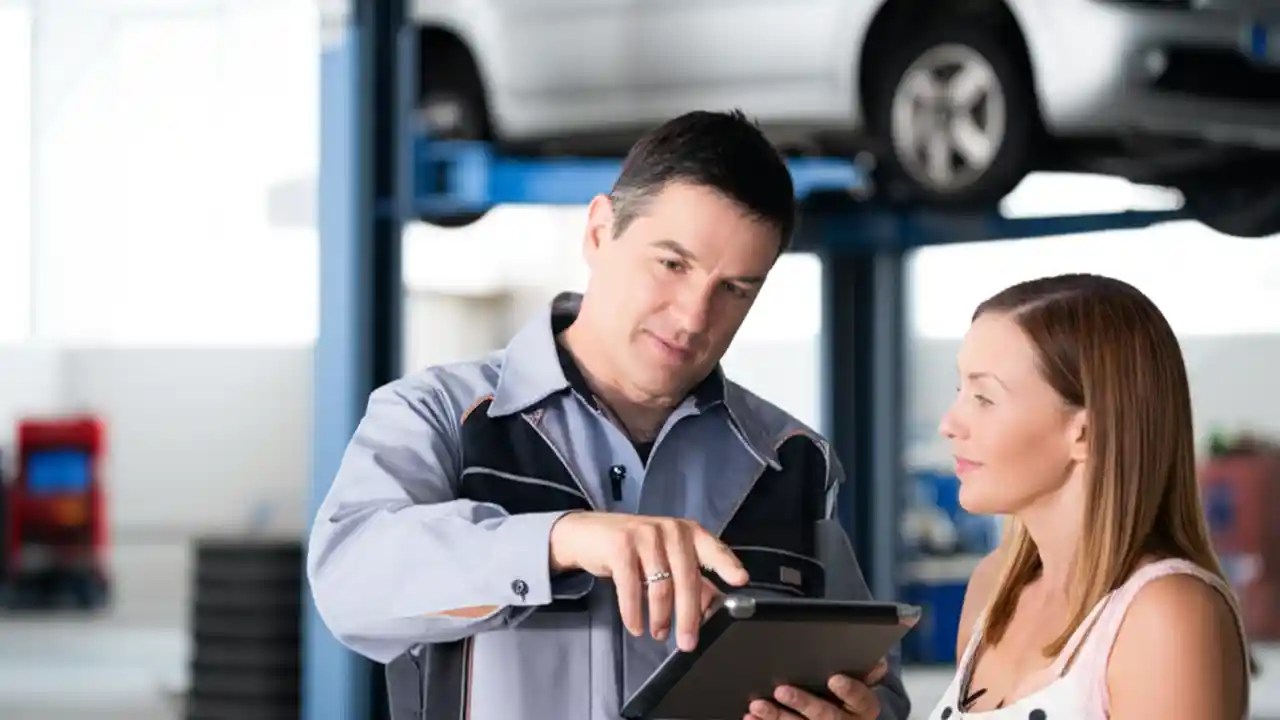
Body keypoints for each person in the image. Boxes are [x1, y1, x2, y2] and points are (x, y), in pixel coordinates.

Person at [306, 109, 912, 720]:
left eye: (735, 289)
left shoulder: (792, 463)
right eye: (672, 264)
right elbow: (347, 584)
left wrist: (857, 714)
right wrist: (559, 539)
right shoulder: (439, 417)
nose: (693, 316)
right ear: (599, 231)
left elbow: (872, 685)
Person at [930, 273, 1251, 719]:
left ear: (1084, 432)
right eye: (959, 390)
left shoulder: (1167, 614)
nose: (950, 423)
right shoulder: (994, 589)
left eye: (984, 398)